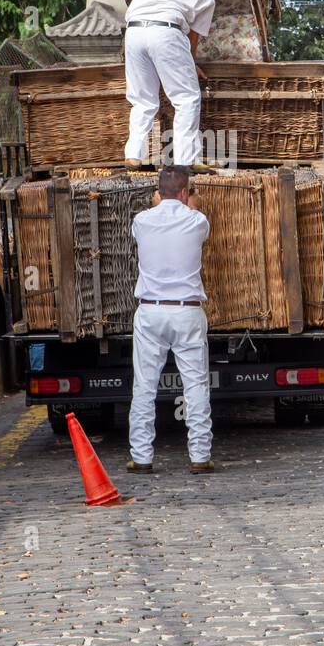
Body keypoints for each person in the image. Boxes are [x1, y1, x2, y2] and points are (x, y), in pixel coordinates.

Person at [128, 164, 214, 472]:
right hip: (187, 311)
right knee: (195, 385)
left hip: (150, 310)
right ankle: (200, 456)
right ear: (184, 192)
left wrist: (160, 205)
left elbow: (148, 226)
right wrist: (193, 204)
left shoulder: (141, 221)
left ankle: (141, 457)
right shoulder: (197, 221)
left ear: (157, 193)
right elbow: (195, 220)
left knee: (144, 386)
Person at [124, 0, 220, 170]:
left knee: (142, 99)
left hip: (133, 33)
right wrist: (191, 65)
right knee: (187, 98)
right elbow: (191, 39)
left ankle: (133, 155)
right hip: (166, 32)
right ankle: (185, 160)